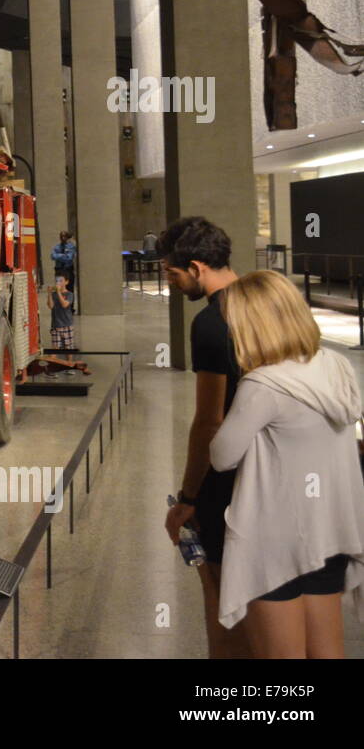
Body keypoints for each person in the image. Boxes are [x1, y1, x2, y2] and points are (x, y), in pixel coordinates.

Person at [210, 270, 364, 657]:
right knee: (327, 652)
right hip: (329, 530)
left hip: (274, 539)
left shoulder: (263, 385)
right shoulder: (336, 365)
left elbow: (222, 457)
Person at [159, 216, 251, 658]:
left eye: (173, 274)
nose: (173, 283)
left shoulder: (212, 322)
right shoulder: (269, 304)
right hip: (278, 468)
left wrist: (188, 496)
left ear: (196, 268)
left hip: (227, 477)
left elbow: (209, 421)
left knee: (218, 589)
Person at [48, 274, 74, 350]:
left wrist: (59, 292)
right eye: (56, 281)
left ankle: (69, 361)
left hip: (67, 325)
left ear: (66, 282)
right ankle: (53, 361)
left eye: (60, 281)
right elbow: (51, 306)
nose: (58, 283)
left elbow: (64, 305)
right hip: (56, 325)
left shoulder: (70, 294)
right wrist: (49, 294)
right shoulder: (53, 294)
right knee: (55, 347)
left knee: (68, 347)